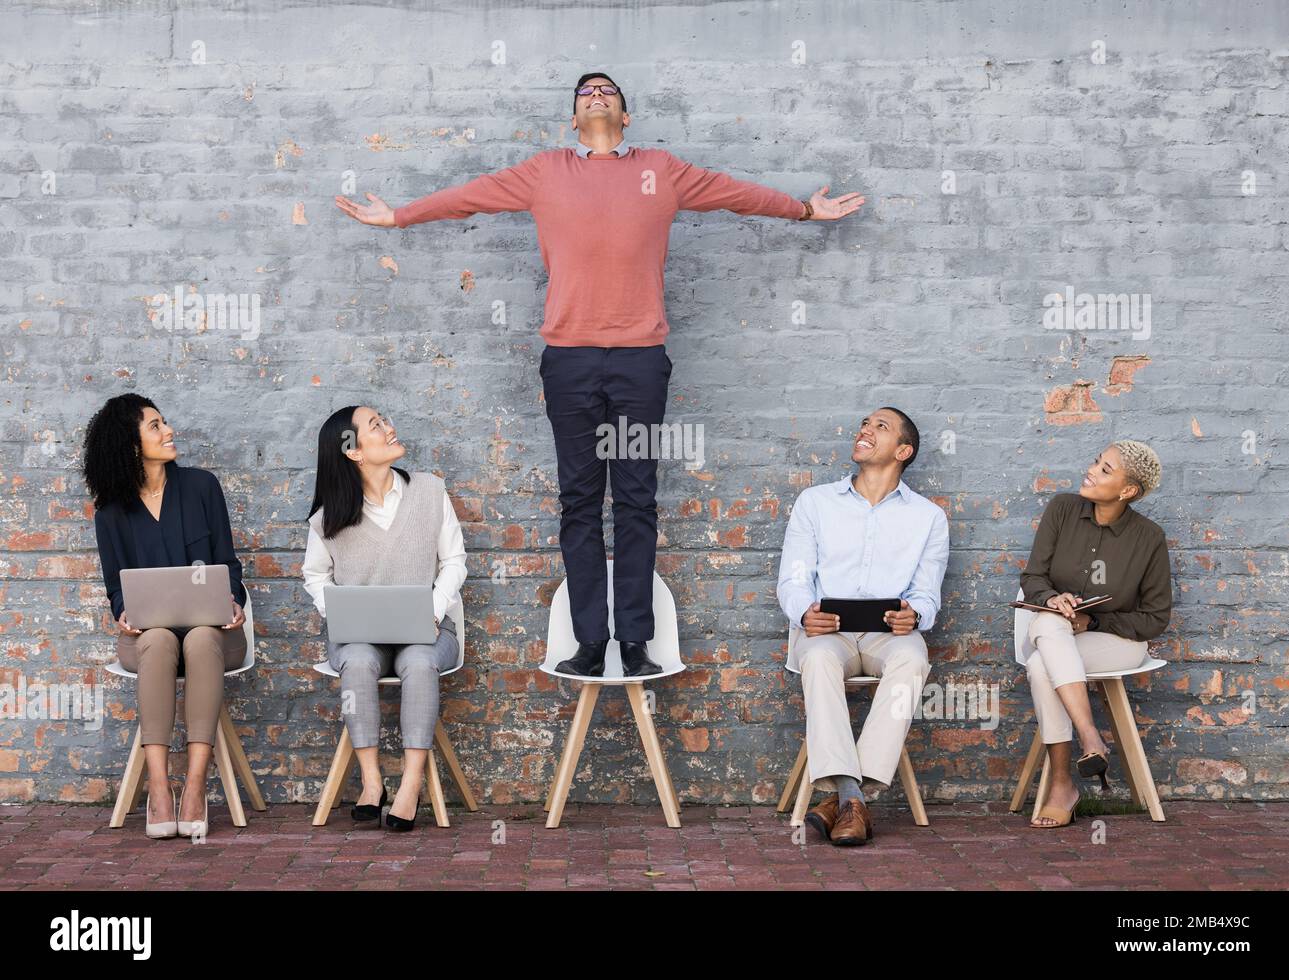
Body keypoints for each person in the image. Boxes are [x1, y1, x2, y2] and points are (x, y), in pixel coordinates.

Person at [336, 71, 864, 678]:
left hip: (640, 362)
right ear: (572, 118)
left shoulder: (661, 171)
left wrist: (802, 209)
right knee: (580, 502)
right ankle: (590, 641)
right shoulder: (545, 171)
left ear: (626, 116)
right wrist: (399, 216)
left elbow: (732, 192)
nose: (596, 94)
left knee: (637, 500)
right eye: (584, 91)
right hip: (571, 362)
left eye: (607, 90)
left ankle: (635, 641)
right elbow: (470, 195)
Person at [776, 408, 949, 845]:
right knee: (815, 658)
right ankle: (856, 799)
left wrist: (916, 614)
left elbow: (927, 593)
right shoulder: (814, 503)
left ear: (903, 451)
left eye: (880, 427)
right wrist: (803, 613)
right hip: (826, 633)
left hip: (886, 636)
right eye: (865, 424)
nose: (865, 430)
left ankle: (843, 798)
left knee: (912, 658)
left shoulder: (928, 517)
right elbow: (793, 579)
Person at [85, 394, 247, 839]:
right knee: (157, 638)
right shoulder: (111, 513)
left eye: (164, 422)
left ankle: (195, 786)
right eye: (155, 426)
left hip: (215, 636)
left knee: (198, 638)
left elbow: (229, 565)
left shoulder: (201, 487)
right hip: (147, 641)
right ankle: (159, 789)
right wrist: (123, 614)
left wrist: (232, 602)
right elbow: (117, 589)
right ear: (130, 443)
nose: (168, 431)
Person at [304, 406, 467, 831]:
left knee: (418, 661)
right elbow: (315, 576)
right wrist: (338, 612)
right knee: (356, 661)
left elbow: (454, 560)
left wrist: (433, 609)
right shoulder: (328, 518)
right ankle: (372, 782)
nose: (389, 428)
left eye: (385, 420)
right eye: (376, 426)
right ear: (353, 452)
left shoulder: (430, 491)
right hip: (361, 635)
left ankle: (411, 784)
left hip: (430, 631)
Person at [1018, 441, 1171, 829]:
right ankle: (1089, 740)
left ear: (1128, 491)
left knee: (1042, 666)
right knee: (1047, 635)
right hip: (1057, 633)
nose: (1092, 470)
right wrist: (1055, 598)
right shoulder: (1063, 509)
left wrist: (1096, 623)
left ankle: (1064, 784)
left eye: (1106, 470)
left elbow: (1154, 619)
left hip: (1115, 645)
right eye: (1096, 462)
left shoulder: (1149, 538)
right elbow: (1033, 577)